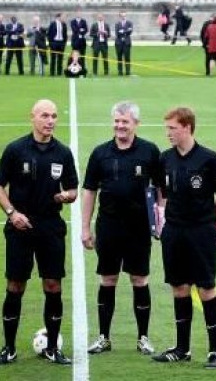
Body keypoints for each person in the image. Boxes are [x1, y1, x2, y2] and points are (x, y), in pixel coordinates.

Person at [0, 100, 78, 366]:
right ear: (33, 118)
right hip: (20, 227)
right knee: (15, 285)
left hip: (51, 227)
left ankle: (53, 348)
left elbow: (73, 188)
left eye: (53, 116)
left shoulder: (62, 153)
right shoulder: (16, 149)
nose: (50, 121)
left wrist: (67, 196)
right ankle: (9, 348)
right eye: (45, 116)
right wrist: (11, 213)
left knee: (53, 285)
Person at [81, 101, 161, 357]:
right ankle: (104, 337)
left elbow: (161, 190)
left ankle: (143, 337)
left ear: (135, 123)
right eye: (116, 121)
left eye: (125, 121)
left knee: (139, 279)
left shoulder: (150, 151)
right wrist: (85, 227)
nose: (119, 126)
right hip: (108, 227)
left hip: (138, 229)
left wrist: (160, 220)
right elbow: (90, 191)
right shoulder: (100, 153)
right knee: (108, 279)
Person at [152, 107, 216, 368]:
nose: (168, 133)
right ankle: (182, 348)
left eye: (172, 128)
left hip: (201, 231)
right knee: (179, 286)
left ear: (187, 127)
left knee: (206, 288)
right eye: (167, 128)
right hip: (174, 231)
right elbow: (161, 192)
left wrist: (214, 227)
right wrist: (161, 220)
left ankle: (215, 350)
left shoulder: (209, 159)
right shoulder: (164, 159)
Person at [114, 12, 134, 76]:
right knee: (119, 58)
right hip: (119, 43)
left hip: (126, 43)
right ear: (120, 16)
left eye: (124, 15)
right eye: (122, 16)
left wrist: (123, 31)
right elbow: (117, 33)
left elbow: (130, 31)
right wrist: (126, 31)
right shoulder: (117, 24)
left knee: (127, 58)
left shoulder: (129, 23)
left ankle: (127, 71)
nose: (123, 17)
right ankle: (120, 72)